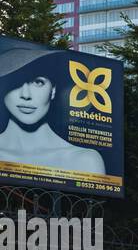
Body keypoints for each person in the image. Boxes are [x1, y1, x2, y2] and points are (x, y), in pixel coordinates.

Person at [0, 46, 105, 174]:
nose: (26, 95)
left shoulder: (85, 160)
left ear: (53, 90)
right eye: (15, 82)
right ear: (3, 88)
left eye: (38, 82)